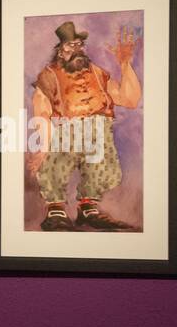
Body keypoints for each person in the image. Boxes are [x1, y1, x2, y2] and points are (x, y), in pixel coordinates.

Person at [28, 21, 141, 231]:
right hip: (64, 131)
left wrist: (125, 64)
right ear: (60, 52)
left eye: (80, 45)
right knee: (55, 163)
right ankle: (56, 211)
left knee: (101, 167)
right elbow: (42, 112)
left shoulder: (97, 73)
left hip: (98, 133)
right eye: (70, 46)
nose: (77, 49)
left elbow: (130, 100)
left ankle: (88, 210)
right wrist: (43, 147)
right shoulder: (49, 76)